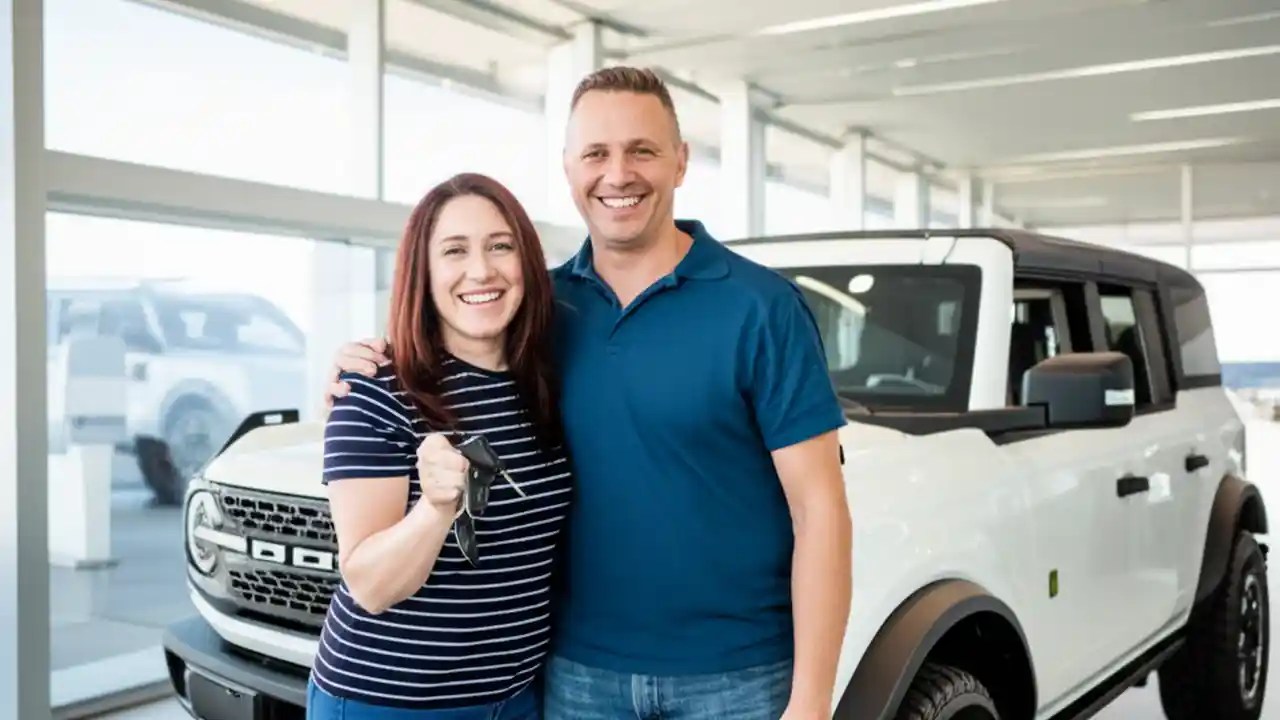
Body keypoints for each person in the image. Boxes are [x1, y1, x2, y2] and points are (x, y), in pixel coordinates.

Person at [327, 67, 852, 719]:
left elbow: (821, 511)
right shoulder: (537, 310)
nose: (619, 174)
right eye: (596, 153)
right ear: (569, 168)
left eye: (643, 150)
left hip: (737, 676)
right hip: (576, 677)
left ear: (681, 161)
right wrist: (362, 368)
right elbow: (445, 346)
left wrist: (813, 702)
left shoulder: (762, 308)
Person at [308, 172, 572, 720]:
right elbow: (370, 586)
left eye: (501, 246)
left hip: (518, 697)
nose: (482, 270)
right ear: (422, 274)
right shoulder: (376, 389)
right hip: (392, 701)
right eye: (455, 251)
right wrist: (433, 510)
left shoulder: (546, 380)